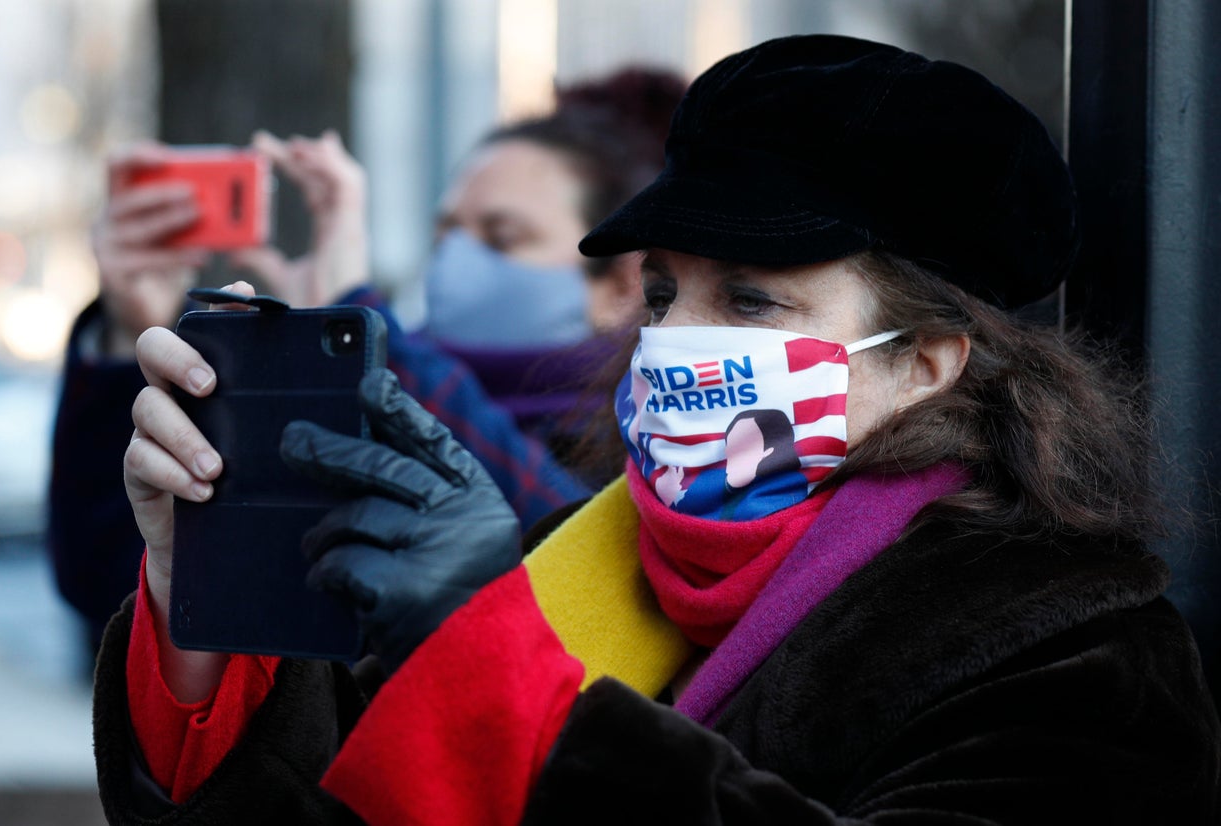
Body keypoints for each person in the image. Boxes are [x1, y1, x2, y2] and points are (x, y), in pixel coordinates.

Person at [92, 34, 1220, 824]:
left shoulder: (1079, 648)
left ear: (925, 363)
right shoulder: (570, 558)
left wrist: (504, 672)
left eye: (754, 299)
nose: (675, 338)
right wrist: (206, 593)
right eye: (666, 292)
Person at [49, 68, 687, 651]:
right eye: (446, 233)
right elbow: (115, 588)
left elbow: (558, 538)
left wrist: (362, 330)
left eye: (502, 237)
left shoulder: (651, 437)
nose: (456, 260)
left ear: (621, 282)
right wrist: (127, 339)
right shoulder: (396, 374)